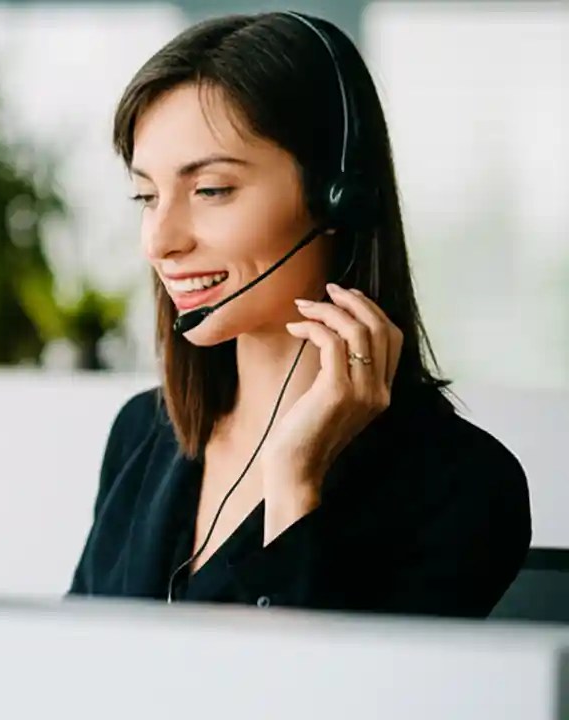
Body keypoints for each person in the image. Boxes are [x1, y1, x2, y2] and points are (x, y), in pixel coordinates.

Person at [67, 11, 531, 617]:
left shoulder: (461, 487)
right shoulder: (143, 434)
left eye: (210, 190)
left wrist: (293, 486)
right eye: (147, 196)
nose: (159, 240)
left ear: (338, 196)